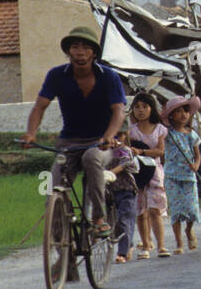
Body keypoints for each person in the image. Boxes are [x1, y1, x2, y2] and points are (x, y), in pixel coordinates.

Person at [23, 26, 126, 236]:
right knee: (53, 194)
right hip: (69, 143)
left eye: (86, 47)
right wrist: (31, 133)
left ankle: (98, 216)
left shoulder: (109, 77)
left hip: (100, 143)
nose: (80, 52)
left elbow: (119, 112)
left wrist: (109, 136)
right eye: (75, 47)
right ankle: (64, 259)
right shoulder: (56, 75)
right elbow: (39, 107)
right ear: (68, 52)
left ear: (94, 53)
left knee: (91, 158)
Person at [128, 91, 169, 258]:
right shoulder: (131, 131)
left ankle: (161, 245)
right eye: (137, 107)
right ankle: (145, 245)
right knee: (140, 210)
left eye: (145, 106)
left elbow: (160, 151)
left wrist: (142, 151)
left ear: (152, 109)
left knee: (154, 209)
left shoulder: (160, 129)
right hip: (137, 171)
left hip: (155, 171)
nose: (141, 110)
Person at [162, 95, 201, 253]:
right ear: (171, 115)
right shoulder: (167, 134)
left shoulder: (191, 134)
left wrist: (197, 165)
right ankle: (179, 243)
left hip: (188, 175)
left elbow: (198, 154)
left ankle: (189, 229)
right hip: (172, 175)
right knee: (176, 210)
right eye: (177, 111)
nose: (183, 114)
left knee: (191, 209)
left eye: (185, 111)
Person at [108, 126, 139, 264]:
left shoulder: (124, 150)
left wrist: (111, 172)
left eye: (119, 136)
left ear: (125, 135)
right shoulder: (103, 151)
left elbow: (126, 163)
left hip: (126, 190)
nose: (115, 139)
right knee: (114, 223)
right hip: (110, 192)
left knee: (124, 219)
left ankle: (122, 252)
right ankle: (128, 245)